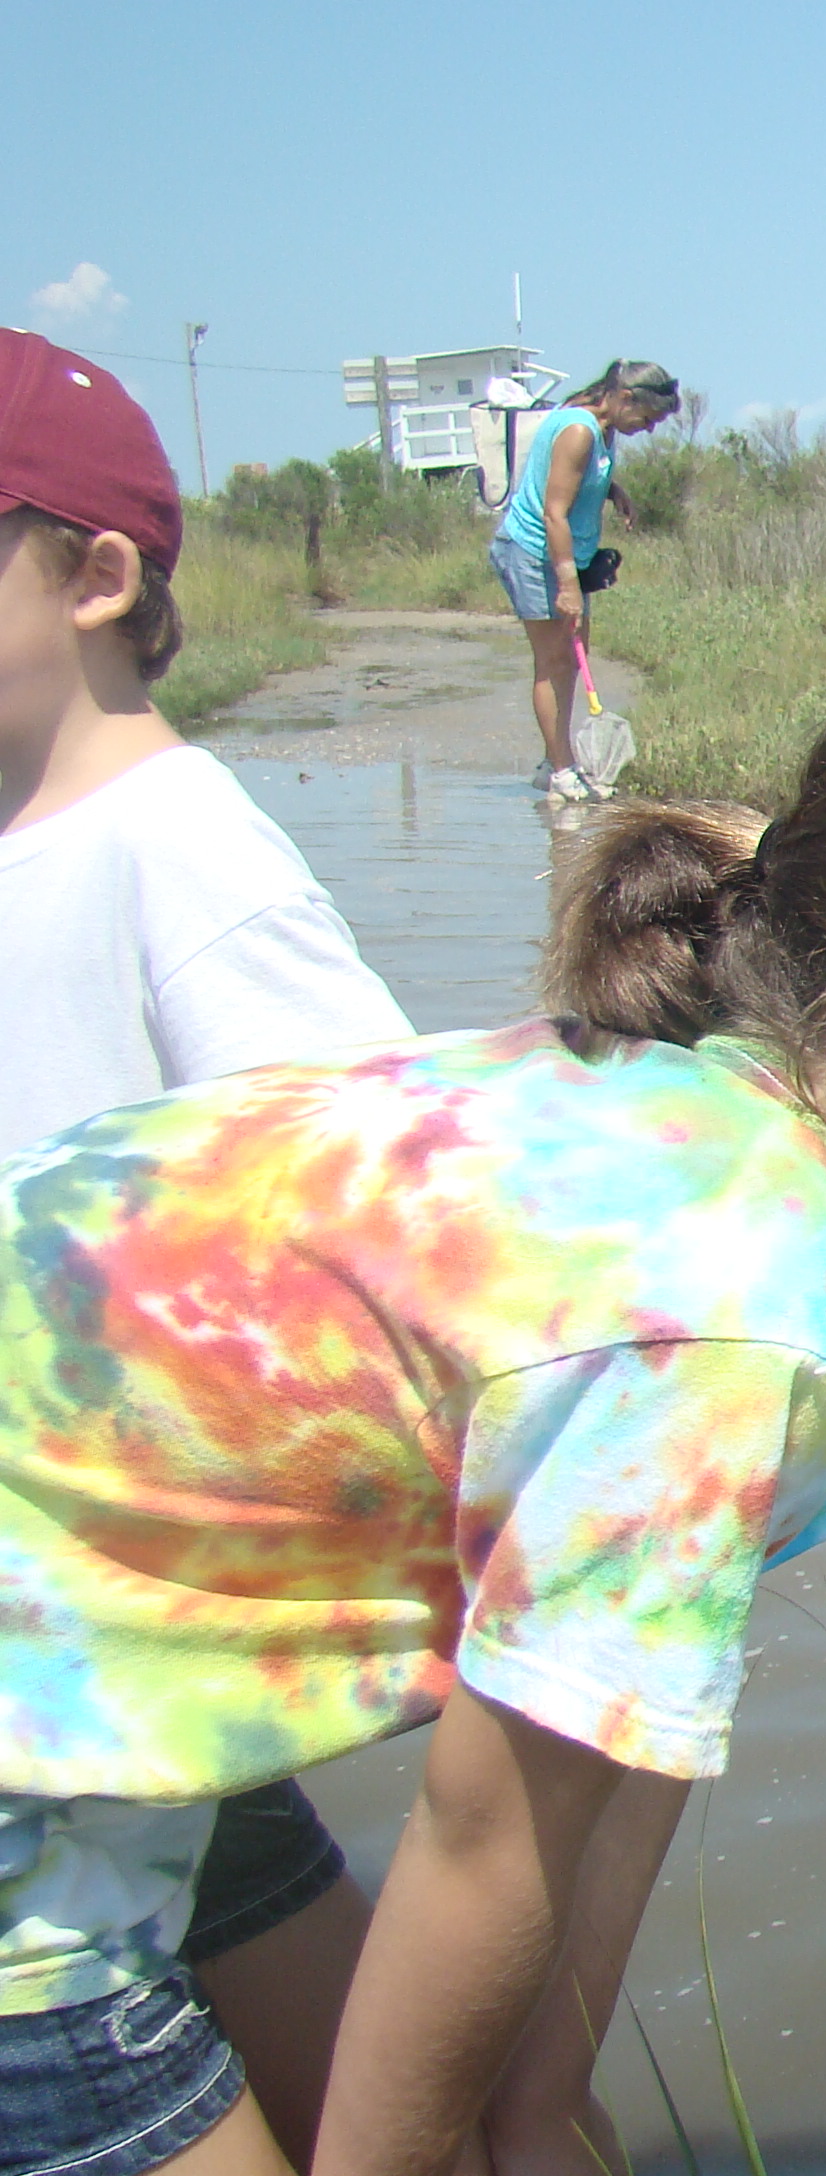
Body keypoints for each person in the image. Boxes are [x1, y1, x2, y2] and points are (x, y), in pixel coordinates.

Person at [0, 636, 826, 2176]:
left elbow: (613, 1754)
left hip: (106, 1661)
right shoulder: (737, 1311)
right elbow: (487, 1828)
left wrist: (537, 2103)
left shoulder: (701, 1132)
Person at [0, 328, 419, 2171]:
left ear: (96, 580)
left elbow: (396, 1207)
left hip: (87, 1621)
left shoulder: (182, 852)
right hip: (104, 1650)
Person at [488, 358, 679, 803]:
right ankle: (559, 771)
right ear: (625, 398)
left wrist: (616, 492)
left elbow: (580, 477)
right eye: (648, 418)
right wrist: (568, 586)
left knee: (573, 659)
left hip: (567, 556)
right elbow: (553, 511)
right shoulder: (579, 429)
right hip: (534, 554)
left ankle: (553, 760)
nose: (649, 429)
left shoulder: (600, 424)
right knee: (553, 661)